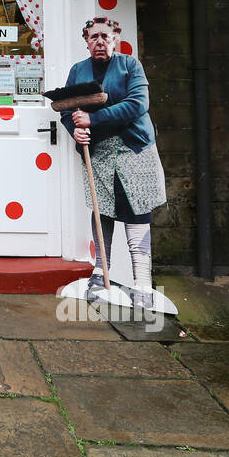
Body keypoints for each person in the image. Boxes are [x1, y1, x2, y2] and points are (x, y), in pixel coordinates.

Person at [59, 16, 166, 309]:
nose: (100, 42)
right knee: (102, 206)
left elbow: (138, 104)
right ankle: (99, 271)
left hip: (135, 148)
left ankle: (142, 281)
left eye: (105, 36)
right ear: (86, 41)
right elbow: (67, 109)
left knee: (137, 207)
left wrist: (94, 118)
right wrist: (75, 128)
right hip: (100, 150)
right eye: (93, 37)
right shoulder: (78, 70)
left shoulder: (130, 66)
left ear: (115, 38)